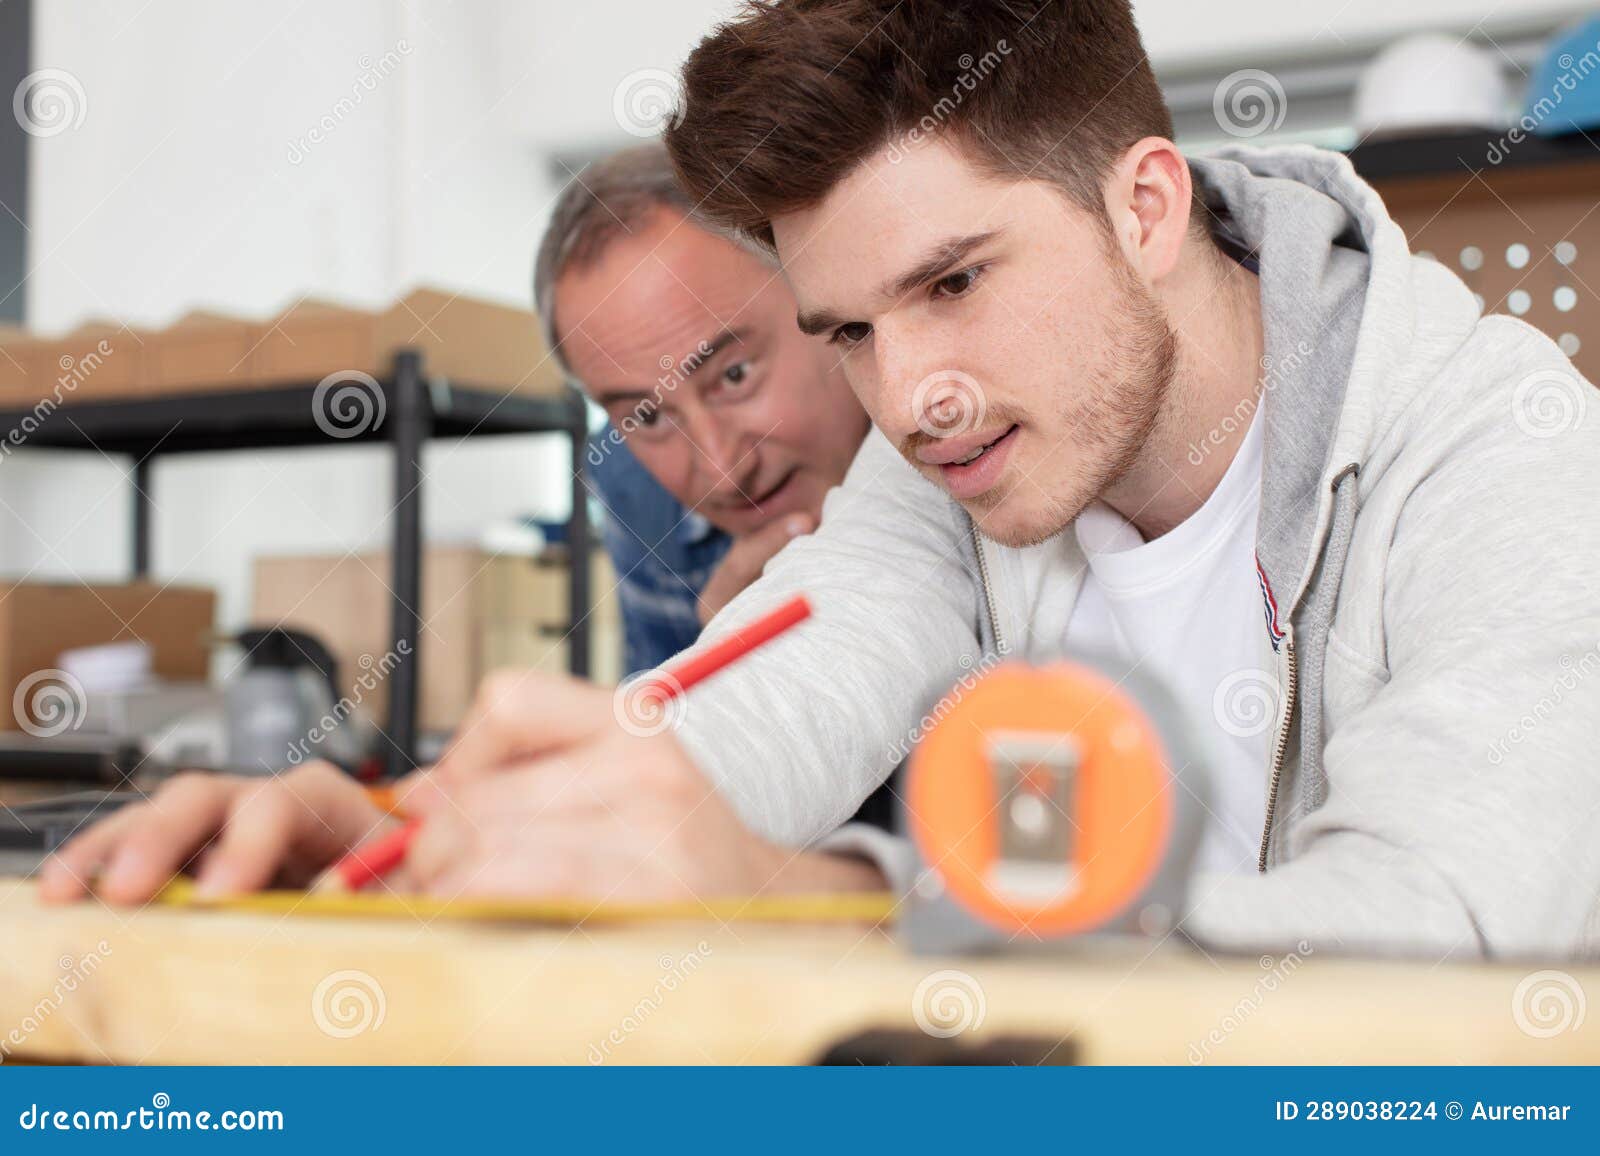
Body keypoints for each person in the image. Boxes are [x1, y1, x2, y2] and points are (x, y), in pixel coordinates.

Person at [45, 1, 1600, 962]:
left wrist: (833, 901)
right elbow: (759, 706)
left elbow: (1435, 936)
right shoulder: (962, 475)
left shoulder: (1503, 456)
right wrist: (412, 829)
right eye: (848, 329)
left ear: (1143, 206)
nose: (909, 397)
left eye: (959, 282)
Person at [536, 145, 870, 673]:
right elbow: (657, 733)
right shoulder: (632, 483)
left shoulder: (963, 418)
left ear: (826, 299)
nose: (722, 473)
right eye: (646, 417)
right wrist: (727, 685)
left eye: (734, 376)